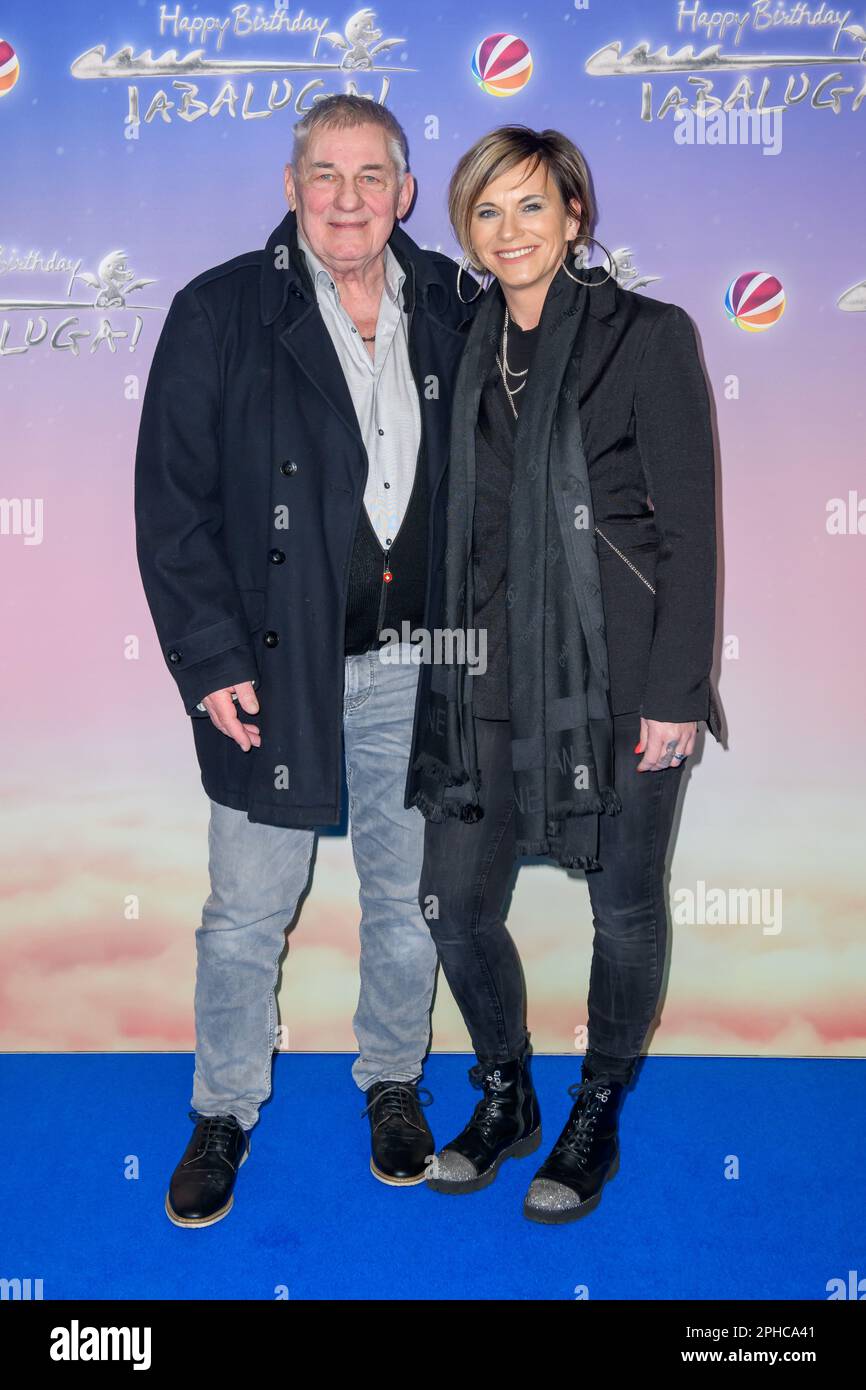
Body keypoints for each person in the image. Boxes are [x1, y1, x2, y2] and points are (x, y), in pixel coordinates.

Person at [134, 95, 475, 1228]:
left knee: (406, 897)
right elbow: (172, 507)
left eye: (368, 176)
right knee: (245, 913)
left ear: (404, 193)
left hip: (415, 660)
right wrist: (206, 658)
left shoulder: (451, 304)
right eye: (322, 175)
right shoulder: (221, 308)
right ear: (290, 187)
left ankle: (391, 1082)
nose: (344, 198)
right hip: (275, 673)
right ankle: (223, 1108)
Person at [406, 125, 723, 1224]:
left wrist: (677, 696)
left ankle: (595, 1109)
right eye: (485, 212)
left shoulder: (646, 336)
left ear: (574, 217)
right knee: (450, 904)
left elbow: (687, 529)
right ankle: (507, 1091)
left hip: (621, 675)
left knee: (622, 910)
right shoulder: (461, 345)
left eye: (530, 206)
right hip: (481, 672)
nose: (509, 231)